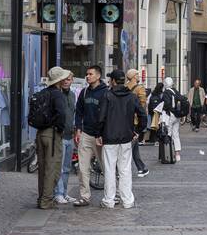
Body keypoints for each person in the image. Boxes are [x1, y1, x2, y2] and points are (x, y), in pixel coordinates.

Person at [96, 68, 149, 209]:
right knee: (125, 170)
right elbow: (143, 115)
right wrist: (137, 131)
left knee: (109, 169)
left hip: (109, 137)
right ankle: (127, 200)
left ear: (113, 81)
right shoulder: (131, 96)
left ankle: (109, 200)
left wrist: (98, 134)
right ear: (124, 80)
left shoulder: (107, 96)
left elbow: (101, 118)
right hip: (126, 137)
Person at [32, 66, 72, 210]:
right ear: (59, 80)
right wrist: (60, 130)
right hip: (53, 134)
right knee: (52, 168)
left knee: (42, 168)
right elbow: (61, 114)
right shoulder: (57, 94)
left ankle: (41, 197)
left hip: (40, 133)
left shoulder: (43, 92)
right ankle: (46, 201)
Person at [72, 65, 110, 207]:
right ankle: (84, 196)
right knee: (82, 168)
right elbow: (79, 112)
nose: (88, 76)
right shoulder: (84, 92)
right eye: (87, 74)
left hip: (100, 136)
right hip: (86, 134)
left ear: (98, 76)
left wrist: (104, 133)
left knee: (106, 167)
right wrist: (78, 129)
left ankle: (112, 194)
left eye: (91, 74)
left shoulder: (106, 92)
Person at [53, 73, 77, 204]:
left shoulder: (73, 95)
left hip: (70, 135)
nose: (66, 82)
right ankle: (58, 193)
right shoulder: (57, 94)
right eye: (64, 79)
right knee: (60, 167)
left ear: (72, 80)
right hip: (60, 136)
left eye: (68, 79)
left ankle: (65, 192)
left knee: (67, 168)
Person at [126, 69, 150, 177]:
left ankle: (142, 168)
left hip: (126, 119)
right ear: (134, 76)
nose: (139, 76)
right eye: (137, 74)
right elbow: (143, 105)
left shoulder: (125, 87)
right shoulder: (140, 88)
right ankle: (141, 168)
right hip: (135, 120)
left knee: (132, 144)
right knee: (131, 145)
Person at [154, 77, 184, 163]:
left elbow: (166, 105)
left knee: (168, 134)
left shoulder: (166, 93)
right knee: (176, 134)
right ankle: (177, 153)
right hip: (177, 116)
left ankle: (169, 153)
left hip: (169, 115)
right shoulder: (175, 91)